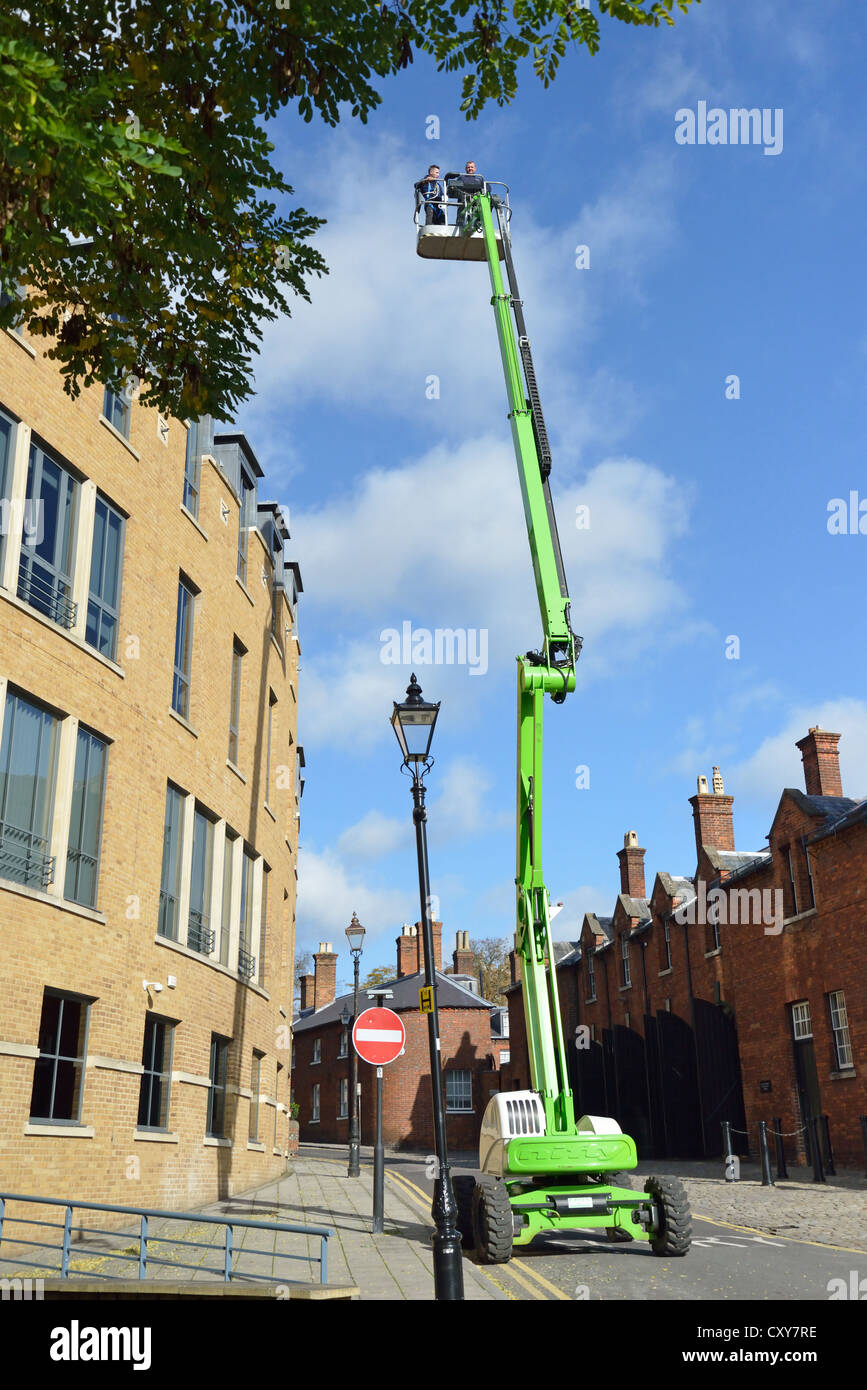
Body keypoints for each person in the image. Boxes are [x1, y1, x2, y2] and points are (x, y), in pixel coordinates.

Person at [444, 161, 485, 230]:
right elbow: (455, 187)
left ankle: (478, 222)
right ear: (466, 169)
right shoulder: (462, 178)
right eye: (468, 167)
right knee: (463, 204)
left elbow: (487, 187)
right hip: (464, 198)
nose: (470, 169)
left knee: (483, 202)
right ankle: (460, 223)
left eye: (472, 167)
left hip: (475, 199)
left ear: (475, 168)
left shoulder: (479, 179)